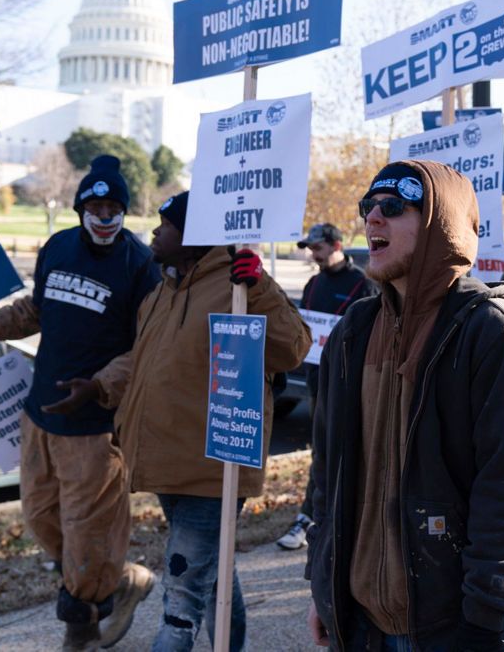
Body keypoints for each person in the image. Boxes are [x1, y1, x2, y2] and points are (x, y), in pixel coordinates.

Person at [48, 191, 311, 651]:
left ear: (192, 236)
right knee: (211, 576)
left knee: (181, 596)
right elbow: (141, 361)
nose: (154, 231)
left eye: (165, 224)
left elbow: (293, 349)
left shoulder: (236, 286)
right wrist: (98, 386)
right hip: (168, 463)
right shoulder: (164, 291)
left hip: (212, 468)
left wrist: (260, 287)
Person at [305, 161, 504, 651]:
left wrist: (483, 618)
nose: (373, 219)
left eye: (393, 208)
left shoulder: (493, 332)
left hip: (460, 624)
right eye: (367, 207)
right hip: (365, 623)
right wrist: (324, 589)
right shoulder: (352, 333)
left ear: (441, 223)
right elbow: (326, 478)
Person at [0, 155, 160, 651]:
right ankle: (123, 579)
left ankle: (80, 626)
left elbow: (147, 349)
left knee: (87, 531)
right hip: (38, 413)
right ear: (80, 208)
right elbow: (36, 309)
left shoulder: (141, 265)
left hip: (94, 424)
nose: (104, 216)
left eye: (114, 207)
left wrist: (99, 386)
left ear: (124, 211)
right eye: (96, 206)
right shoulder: (59, 247)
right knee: (42, 520)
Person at [277, 222, 378, 551]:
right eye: (309, 249)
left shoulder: (362, 284)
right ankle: (315, 518)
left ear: (336, 246)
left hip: (349, 383)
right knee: (321, 449)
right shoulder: (313, 283)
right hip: (316, 380)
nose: (313, 255)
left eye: (317, 248)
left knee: (345, 450)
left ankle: (316, 517)